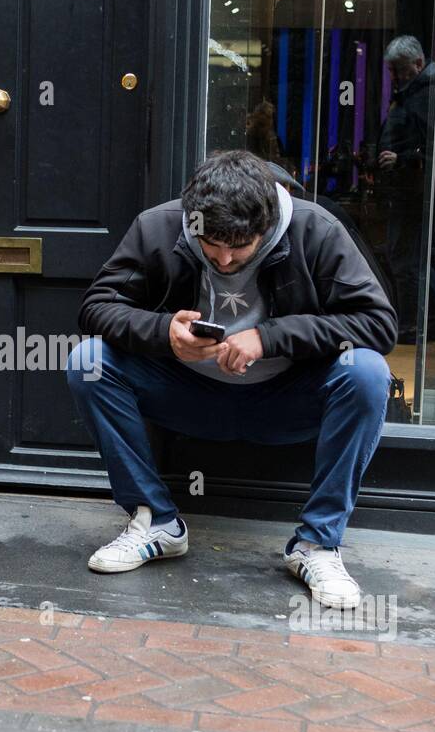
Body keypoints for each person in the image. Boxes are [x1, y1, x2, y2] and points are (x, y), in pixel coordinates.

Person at [66, 150, 396, 608]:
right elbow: (95, 308)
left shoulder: (315, 228)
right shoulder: (158, 226)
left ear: (267, 221)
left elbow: (378, 324)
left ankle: (317, 545)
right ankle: (156, 522)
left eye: (239, 247)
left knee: (366, 372)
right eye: (211, 245)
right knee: (90, 360)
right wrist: (164, 333)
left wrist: (270, 337)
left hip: (286, 398)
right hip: (187, 394)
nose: (223, 259)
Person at [376, 35, 435, 344]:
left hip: (418, 191)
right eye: (392, 71)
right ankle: (424, 320)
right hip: (414, 190)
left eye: (399, 70)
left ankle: (421, 322)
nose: (395, 77)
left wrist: (404, 159)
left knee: (406, 259)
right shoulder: (421, 91)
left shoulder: (429, 94)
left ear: (417, 64)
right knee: (407, 259)